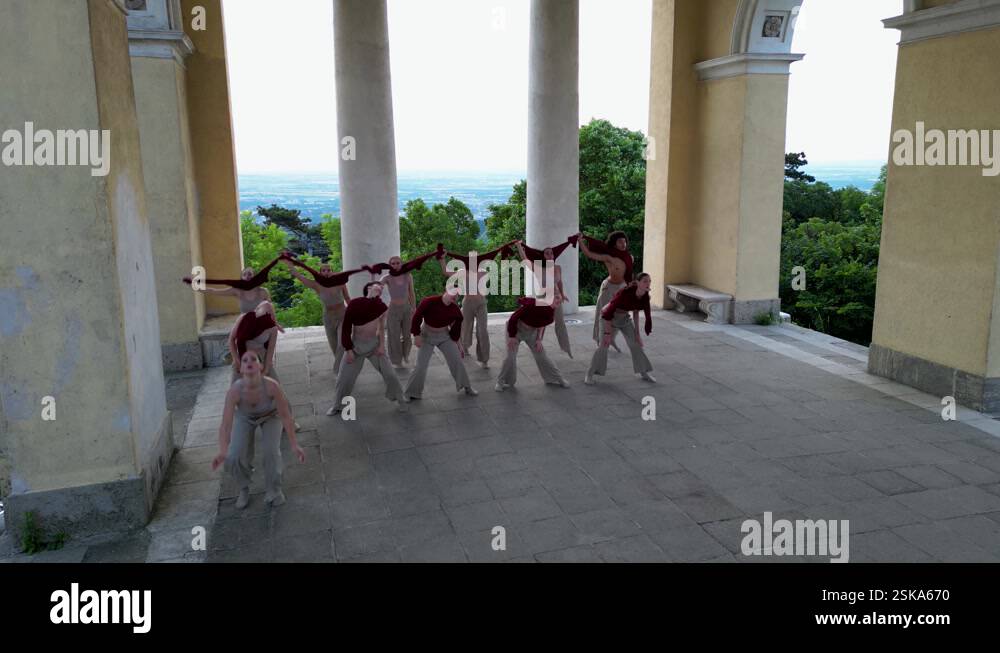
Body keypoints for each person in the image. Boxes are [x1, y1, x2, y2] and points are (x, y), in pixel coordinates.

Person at [211, 349, 306, 510]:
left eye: (253, 359)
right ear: (240, 368)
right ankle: (243, 488)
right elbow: (226, 424)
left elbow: (285, 415)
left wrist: (294, 444)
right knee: (233, 456)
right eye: (245, 360)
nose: (249, 362)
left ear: (261, 366)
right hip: (245, 417)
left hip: (271, 416)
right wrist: (222, 451)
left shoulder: (272, 386)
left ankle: (274, 491)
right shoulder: (235, 391)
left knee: (271, 451)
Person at [328, 281, 407, 415]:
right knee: (344, 378)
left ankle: (401, 400)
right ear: (369, 288)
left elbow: (381, 328)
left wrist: (382, 346)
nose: (381, 287)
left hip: (374, 346)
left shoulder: (381, 307)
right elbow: (346, 328)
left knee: (390, 374)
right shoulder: (355, 304)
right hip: (356, 346)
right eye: (378, 286)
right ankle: (337, 406)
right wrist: (348, 350)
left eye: (382, 287)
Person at [282, 254, 365, 374]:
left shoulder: (340, 283)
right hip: (328, 316)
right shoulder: (317, 285)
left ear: (332, 272)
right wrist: (291, 265)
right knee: (334, 345)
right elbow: (300, 277)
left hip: (342, 314)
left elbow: (347, 297)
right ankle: (343, 366)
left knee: (342, 343)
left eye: (328, 270)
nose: (326, 272)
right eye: (323, 270)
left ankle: (338, 370)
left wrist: (354, 312)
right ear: (320, 273)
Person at [439, 241, 515, 369]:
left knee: (482, 331)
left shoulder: (484, 271)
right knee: (465, 327)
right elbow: (446, 272)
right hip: (467, 302)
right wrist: (442, 258)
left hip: (481, 303)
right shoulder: (463, 271)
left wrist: (504, 254)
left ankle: (484, 359)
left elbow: (499, 269)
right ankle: (465, 348)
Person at [368, 245, 445, 368]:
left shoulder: (408, 276)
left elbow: (411, 293)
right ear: (389, 265)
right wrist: (375, 287)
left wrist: (414, 308)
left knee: (407, 335)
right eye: (392, 263)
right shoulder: (387, 277)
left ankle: (406, 355)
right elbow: (378, 286)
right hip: (393, 309)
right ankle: (396, 360)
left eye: (397, 263)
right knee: (394, 335)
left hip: (406, 308)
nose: (395, 265)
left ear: (401, 263)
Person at [403, 288, 478, 400]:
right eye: (453, 292)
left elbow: (455, 331)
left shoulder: (456, 311)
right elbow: (417, 317)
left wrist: (459, 345)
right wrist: (416, 335)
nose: (455, 296)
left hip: (444, 336)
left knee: (457, 360)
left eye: (458, 295)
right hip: (427, 335)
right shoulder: (428, 301)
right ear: (446, 291)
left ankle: (466, 386)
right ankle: (410, 393)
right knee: (420, 366)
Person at [586, 273, 656, 384]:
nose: (648, 283)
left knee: (635, 344)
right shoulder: (625, 293)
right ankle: (589, 375)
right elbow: (607, 313)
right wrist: (608, 334)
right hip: (608, 317)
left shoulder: (645, 296)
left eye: (649, 281)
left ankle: (644, 372)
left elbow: (636, 312)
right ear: (637, 283)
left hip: (624, 318)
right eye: (645, 281)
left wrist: (637, 334)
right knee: (603, 346)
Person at [495, 292, 570, 391]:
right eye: (556, 298)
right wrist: (512, 336)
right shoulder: (533, 305)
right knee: (510, 357)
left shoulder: (550, 315)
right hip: (515, 329)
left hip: (532, 332)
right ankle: (501, 381)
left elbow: (542, 325)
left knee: (542, 356)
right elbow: (513, 318)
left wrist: (539, 339)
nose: (558, 301)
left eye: (560, 300)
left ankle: (558, 378)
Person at [515, 236, 576, 358]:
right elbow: (525, 259)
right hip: (543, 297)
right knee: (540, 323)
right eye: (547, 253)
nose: (550, 255)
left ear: (554, 255)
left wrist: (563, 294)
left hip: (556, 296)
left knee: (560, 323)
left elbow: (559, 282)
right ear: (544, 256)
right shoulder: (538, 268)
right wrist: (518, 246)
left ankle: (566, 347)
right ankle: (537, 343)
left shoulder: (558, 268)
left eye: (551, 253)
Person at [579, 231, 633, 351]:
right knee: (602, 314)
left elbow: (629, 276)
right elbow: (589, 254)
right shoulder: (609, 257)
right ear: (614, 244)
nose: (623, 244)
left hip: (622, 287)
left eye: (624, 241)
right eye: (620, 241)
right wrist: (580, 241)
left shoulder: (629, 257)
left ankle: (611, 338)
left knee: (621, 315)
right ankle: (600, 340)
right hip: (608, 287)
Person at [183, 255, 282, 313]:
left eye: (250, 274)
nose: (247, 276)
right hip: (246, 324)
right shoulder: (237, 291)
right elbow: (213, 291)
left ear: (255, 277)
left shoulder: (263, 292)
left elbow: (271, 309)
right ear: (241, 278)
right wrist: (195, 285)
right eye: (244, 274)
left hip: (262, 324)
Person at [228, 300, 283, 385]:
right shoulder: (243, 318)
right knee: (237, 390)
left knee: (275, 387)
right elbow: (231, 340)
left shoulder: (272, 328)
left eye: (269, 313)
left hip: (262, 357)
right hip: (242, 357)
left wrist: (265, 371)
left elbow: (270, 351)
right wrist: (236, 360)